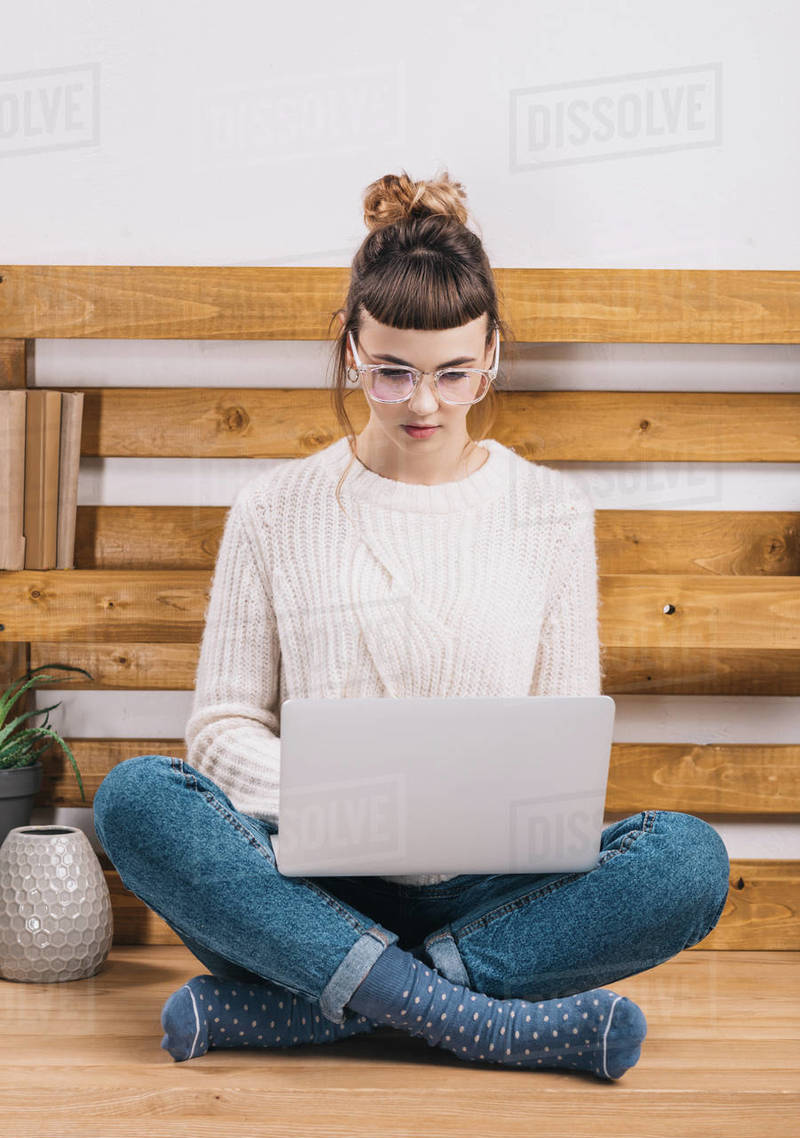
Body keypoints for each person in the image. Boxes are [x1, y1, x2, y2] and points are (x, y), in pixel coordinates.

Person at [92, 169, 730, 1081]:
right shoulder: (277, 508)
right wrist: (347, 795)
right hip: (310, 887)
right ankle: (472, 1016)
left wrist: (494, 812)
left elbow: (563, 742)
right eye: (391, 371)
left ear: (493, 355)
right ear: (351, 350)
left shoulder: (551, 514)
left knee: (689, 862)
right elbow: (221, 732)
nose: (423, 404)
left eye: (452, 373)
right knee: (136, 798)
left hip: (495, 897)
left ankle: (346, 1006)